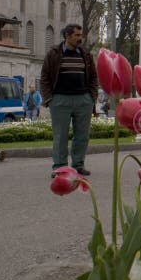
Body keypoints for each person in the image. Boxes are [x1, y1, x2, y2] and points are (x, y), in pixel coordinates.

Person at [40, 23, 99, 177]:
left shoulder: (85, 54)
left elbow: (93, 77)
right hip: (60, 100)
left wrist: (91, 98)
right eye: (77, 35)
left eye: (81, 35)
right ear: (67, 36)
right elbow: (45, 77)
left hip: (83, 100)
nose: (80, 38)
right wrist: (49, 99)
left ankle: (78, 164)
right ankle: (60, 167)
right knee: (60, 135)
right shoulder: (53, 53)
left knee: (82, 135)